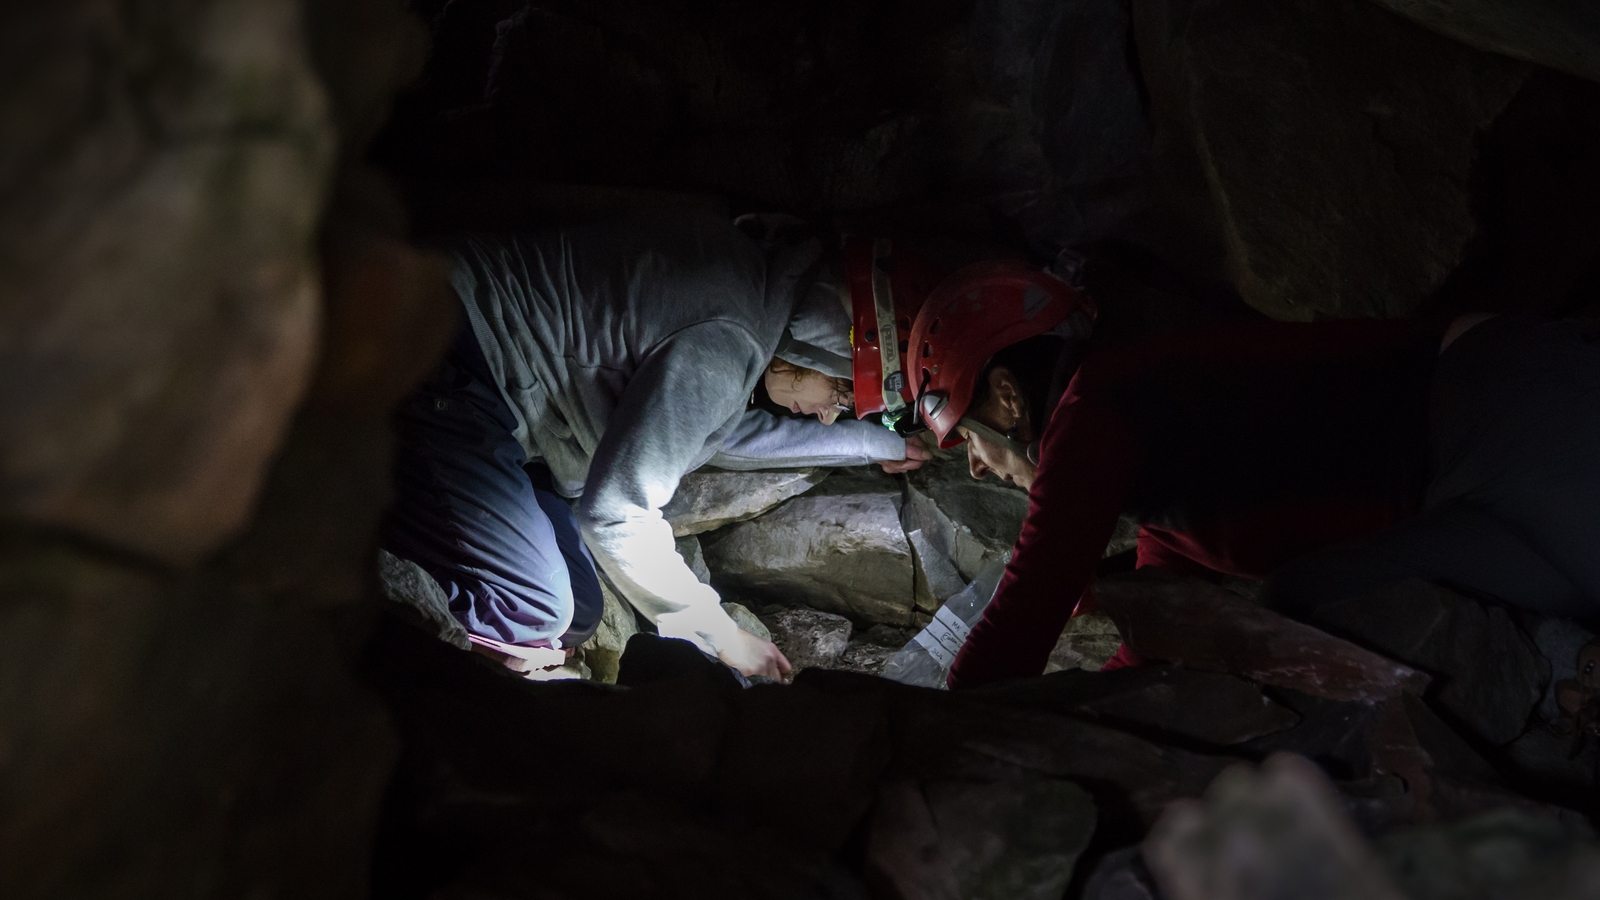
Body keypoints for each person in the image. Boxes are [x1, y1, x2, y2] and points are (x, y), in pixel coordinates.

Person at [901, 259, 1600, 690]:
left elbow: (1028, 608)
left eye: (969, 438)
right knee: (1298, 605)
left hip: (1503, 417)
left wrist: (927, 738)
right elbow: (1159, 637)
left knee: (1297, 609)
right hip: (1494, 436)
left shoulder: (1094, 411)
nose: (976, 465)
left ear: (1007, 397)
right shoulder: (1164, 483)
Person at [381, 210, 929, 680]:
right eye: (840, 390)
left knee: (579, 609)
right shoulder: (727, 341)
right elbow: (617, 514)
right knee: (529, 613)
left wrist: (868, 443)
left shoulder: (756, 289)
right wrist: (721, 635)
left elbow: (721, 434)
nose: (832, 414)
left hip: (486, 383)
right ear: (825, 343)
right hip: (440, 351)